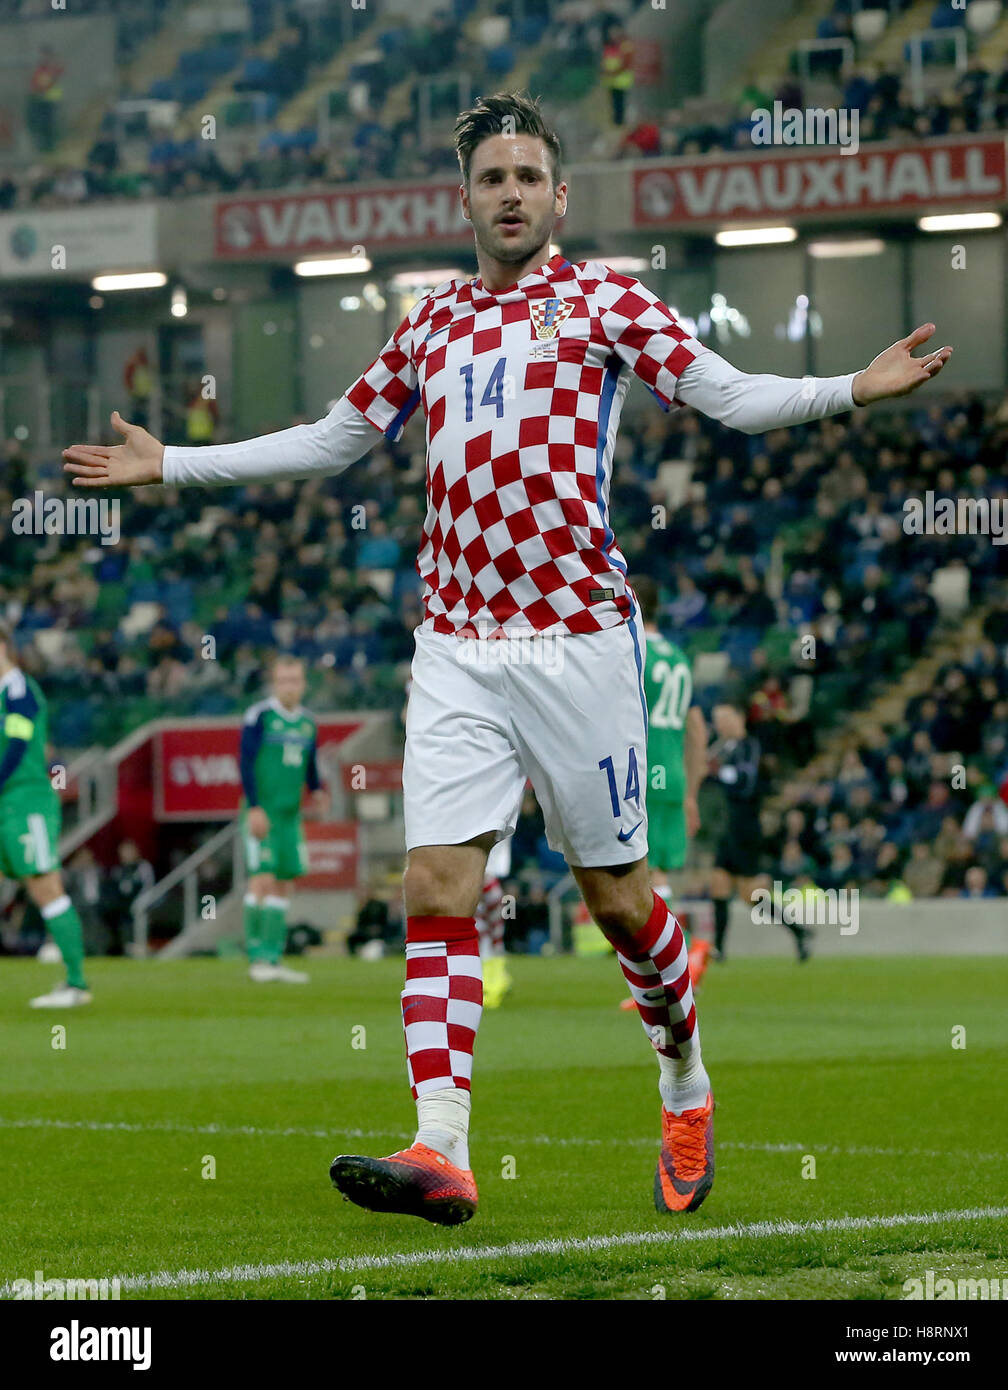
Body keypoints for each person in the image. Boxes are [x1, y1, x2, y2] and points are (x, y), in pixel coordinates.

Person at [64, 89, 953, 1226]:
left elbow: (728, 396)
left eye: (530, 175)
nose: (512, 193)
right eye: (493, 178)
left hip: (578, 637)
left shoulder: (606, 302)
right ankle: (442, 1146)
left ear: (559, 195)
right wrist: (176, 464)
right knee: (436, 883)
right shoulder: (429, 323)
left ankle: (684, 1076)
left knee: (619, 903)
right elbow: (334, 438)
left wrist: (847, 390)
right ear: (468, 197)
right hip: (458, 644)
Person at [619, 575, 709, 1010]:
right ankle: (675, 968)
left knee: (644, 877)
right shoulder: (679, 658)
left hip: (642, 773)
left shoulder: (633, 651)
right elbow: (697, 728)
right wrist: (691, 791)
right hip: (672, 774)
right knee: (662, 877)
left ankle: (678, 961)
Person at [0, 624, 91, 1008]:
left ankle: (76, 983)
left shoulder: (19, 691)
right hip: (7, 801)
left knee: (45, 886)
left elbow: (18, 746)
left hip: (27, 801)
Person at [239, 654, 328, 983]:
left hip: (291, 816)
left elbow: (310, 763)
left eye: (295, 680)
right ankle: (256, 958)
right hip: (263, 810)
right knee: (261, 879)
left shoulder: (308, 723)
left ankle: (273, 959)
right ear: (274, 684)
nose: (290, 687)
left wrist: (316, 790)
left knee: (283, 882)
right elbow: (246, 762)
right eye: (283, 681)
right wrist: (254, 806)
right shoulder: (260, 716)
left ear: (303, 684)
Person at [707, 703, 764, 961]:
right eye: (716, 719)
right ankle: (719, 948)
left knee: (749, 895)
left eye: (724, 717)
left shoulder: (750, 746)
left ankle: (799, 931)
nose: (719, 724)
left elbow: (746, 783)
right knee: (718, 884)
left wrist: (716, 772)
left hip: (745, 827)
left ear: (738, 718)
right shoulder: (723, 747)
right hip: (728, 825)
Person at [475, 834, 513, 1007]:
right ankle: (497, 978)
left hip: (487, 879)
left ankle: (492, 983)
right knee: (492, 932)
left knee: (487, 930)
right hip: (493, 880)